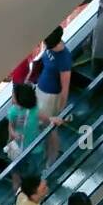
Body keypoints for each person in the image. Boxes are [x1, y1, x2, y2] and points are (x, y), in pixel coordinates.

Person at [6, 83, 64, 190]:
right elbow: (10, 128)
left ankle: (32, 188)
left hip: (35, 149)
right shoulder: (13, 112)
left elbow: (46, 119)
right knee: (16, 172)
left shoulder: (35, 111)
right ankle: (18, 191)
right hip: (17, 148)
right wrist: (14, 134)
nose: (12, 97)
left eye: (14, 95)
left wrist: (53, 120)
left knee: (34, 171)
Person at [35, 26, 72, 168]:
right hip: (41, 89)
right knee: (42, 123)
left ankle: (52, 159)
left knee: (50, 127)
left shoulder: (64, 59)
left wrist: (61, 110)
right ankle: (46, 152)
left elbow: (65, 88)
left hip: (50, 97)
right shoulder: (50, 49)